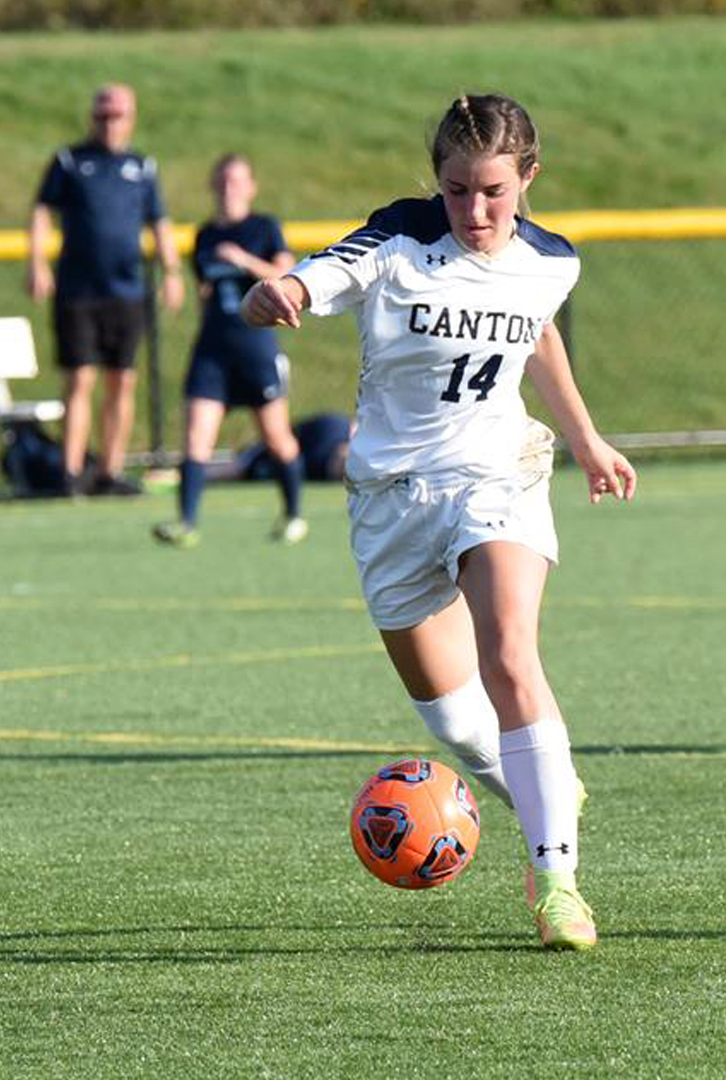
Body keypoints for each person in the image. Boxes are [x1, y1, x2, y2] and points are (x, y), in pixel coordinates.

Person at [242, 94, 636, 950]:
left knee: (509, 654)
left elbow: (536, 335)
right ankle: (548, 783)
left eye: (493, 190)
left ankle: (556, 881)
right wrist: (281, 292)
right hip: (389, 499)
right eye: (457, 191)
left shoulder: (550, 262)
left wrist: (584, 436)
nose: (475, 211)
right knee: (455, 722)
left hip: (495, 476)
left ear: (529, 176)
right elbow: (319, 275)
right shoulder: (399, 240)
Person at [27, 82, 185, 497]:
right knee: (79, 378)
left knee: (122, 380)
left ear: (130, 119)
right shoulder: (70, 161)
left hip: (126, 289)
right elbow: (43, 212)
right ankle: (71, 469)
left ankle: (110, 471)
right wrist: (37, 262)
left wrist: (172, 272)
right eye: (103, 116)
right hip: (79, 289)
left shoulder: (141, 167)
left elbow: (160, 222)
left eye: (117, 116)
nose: (110, 124)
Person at [153, 154, 306, 548]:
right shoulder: (204, 235)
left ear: (251, 187)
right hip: (213, 350)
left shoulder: (263, 228)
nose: (228, 188)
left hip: (255, 346)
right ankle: (186, 522)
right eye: (222, 180)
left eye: (236, 181)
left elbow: (286, 277)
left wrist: (242, 260)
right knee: (194, 438)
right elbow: (206, 292)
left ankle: (293, 514)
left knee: (276, 439)